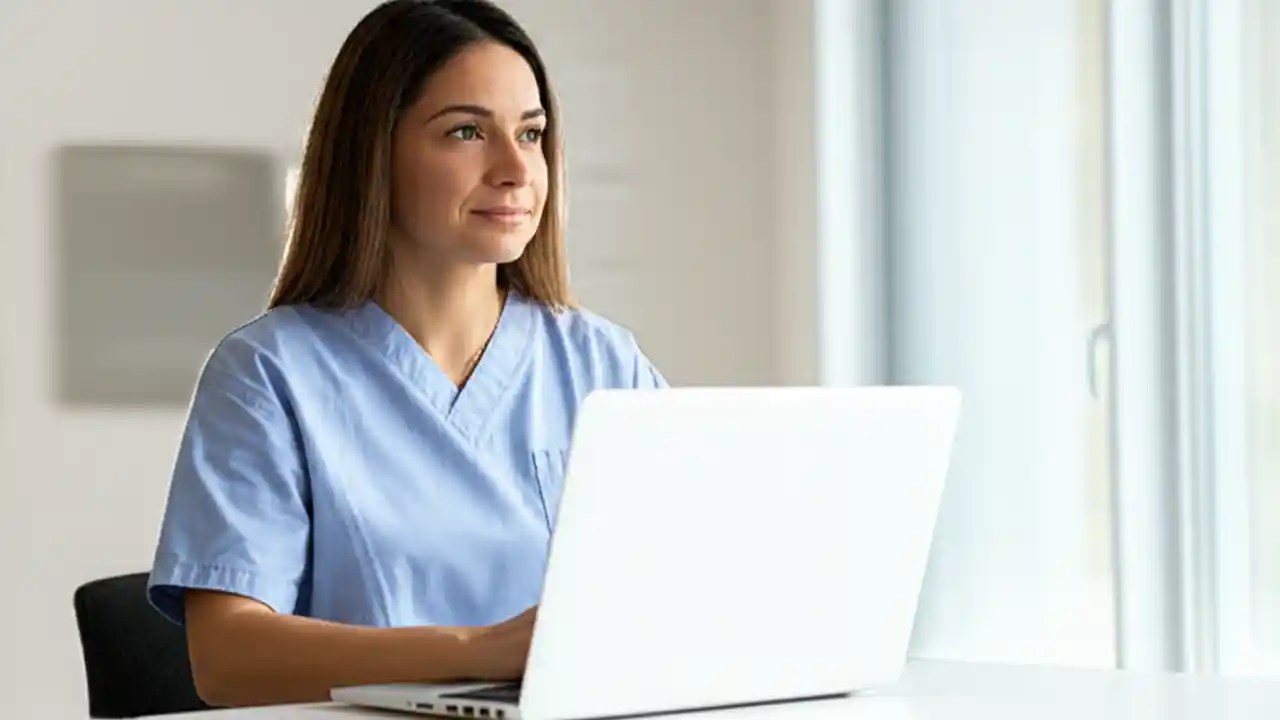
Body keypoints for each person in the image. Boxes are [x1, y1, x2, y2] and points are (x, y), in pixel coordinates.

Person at [146, 0, 666, 708]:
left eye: (531, 133)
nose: (516, 168)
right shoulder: (268, 374)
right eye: (466, 132)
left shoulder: (606, 366)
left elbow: (692, 585)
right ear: (373, 154)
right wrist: (478, 653)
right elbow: (228, 659)